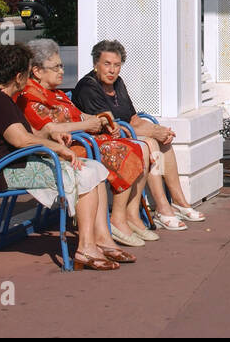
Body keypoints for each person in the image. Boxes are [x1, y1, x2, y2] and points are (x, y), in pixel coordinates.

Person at [0, 43, 132, 270]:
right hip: (4, 172)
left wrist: (49, 133)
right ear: (18, 76)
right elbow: (21, 140)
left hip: (17, 163)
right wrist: (58, 149)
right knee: (84, 171)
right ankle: (85, 247)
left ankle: (98, 240)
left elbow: (27, 135)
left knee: (93, 169)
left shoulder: (1, 98)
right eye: (27, 72)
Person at [18, 38, 156, 245]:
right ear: (37, 71)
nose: (62, 71)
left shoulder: (55, 93)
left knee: (137, 146)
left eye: (61, 66)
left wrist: (101, 119)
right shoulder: (30, 97)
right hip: (61, 150)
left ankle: (128, 216)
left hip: (80, 142)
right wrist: (87, 126)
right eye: (56, 67)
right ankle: (117, 219)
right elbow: (50, 130)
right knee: (125, 151)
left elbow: (78, 115)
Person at [72, 41, 209, 229]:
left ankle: (179, 201)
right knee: (151, 142)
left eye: (117, 65)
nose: (112, 70)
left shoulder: (117, 83)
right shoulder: (89, 87)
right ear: (96, 63)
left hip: (123, 134)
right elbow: (113, 127)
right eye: (107, 64)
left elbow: (133, 119)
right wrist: (153, 131)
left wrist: (160, 131)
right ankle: (162, 207)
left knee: (164, 142)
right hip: (98, 141)